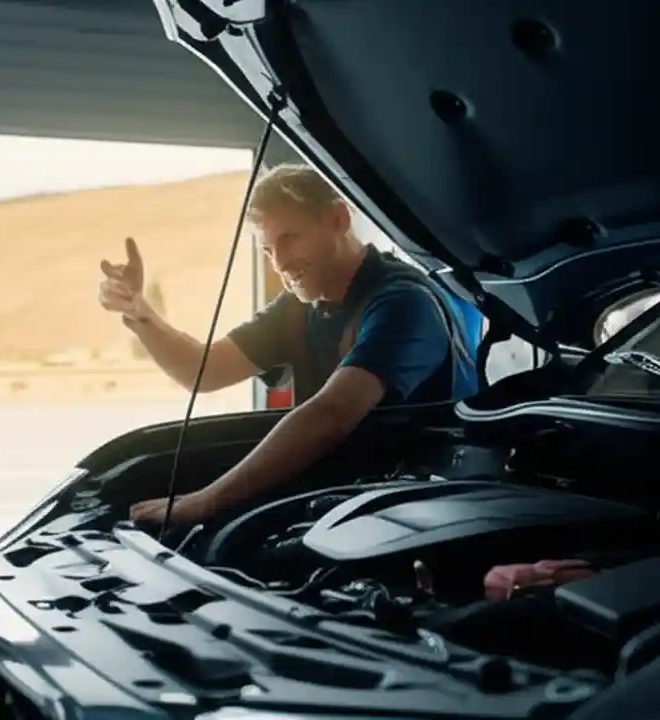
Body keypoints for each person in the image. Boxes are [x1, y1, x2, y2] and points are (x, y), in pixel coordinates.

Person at [99, 163, 481, 527]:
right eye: (267, 250)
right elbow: (205, 370)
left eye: (289, 239)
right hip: (355, 498)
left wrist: (204, 502)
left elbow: (332, 414)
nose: (279, 263)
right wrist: (141, 314)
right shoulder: (302, 306)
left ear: (338, 220)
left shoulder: (403, 302)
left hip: (432, 508)